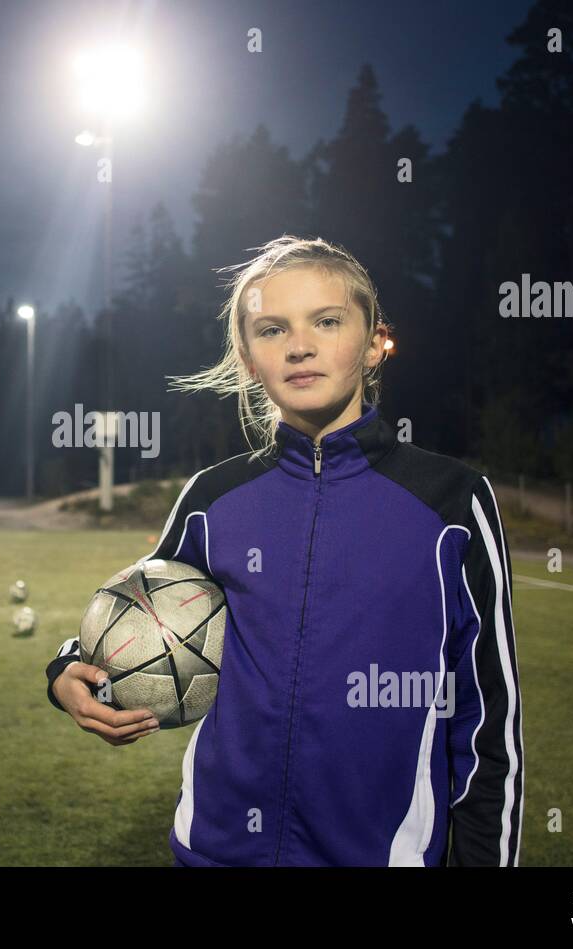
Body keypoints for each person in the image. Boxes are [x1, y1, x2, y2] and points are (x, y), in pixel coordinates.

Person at [45, 236, 523, 867]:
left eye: (327, 321)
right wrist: (66, 674)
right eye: (272, 329)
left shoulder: (451, 503)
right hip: (214, 851)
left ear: (377, 341)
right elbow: (142, 606)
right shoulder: (212, 498)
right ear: (246, 358)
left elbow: (490, 724)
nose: (300, 345)